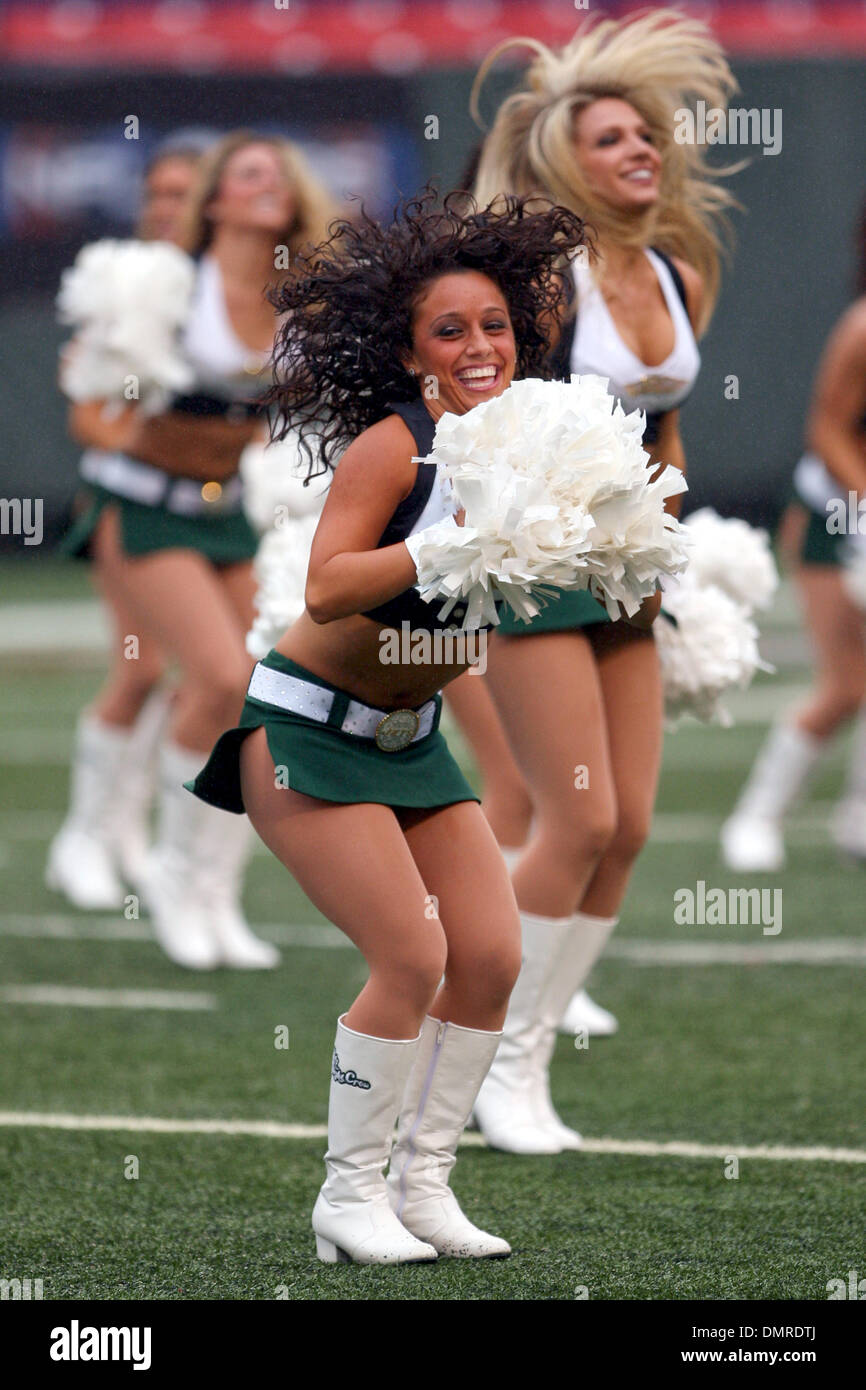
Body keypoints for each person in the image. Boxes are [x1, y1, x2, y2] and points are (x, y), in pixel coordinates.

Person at [186, 192, 597, 1264]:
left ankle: (421, 1188)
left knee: (493, 952)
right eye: (448, 330)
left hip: (409, 741)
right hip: (306, 734)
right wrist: (445, 545)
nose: (477, 346)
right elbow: (325, 592)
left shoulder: (531, 455)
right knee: (411, 952)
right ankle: (344, 1197)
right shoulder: (396, 450)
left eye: (494, 325)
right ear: (409, 353)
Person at [456, 7, 737, 1152]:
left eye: (646, 135)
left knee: (625, 828)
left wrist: (670, 544)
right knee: (570, 816)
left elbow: (662, 433)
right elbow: (471, 411)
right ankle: (484, 1059)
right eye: (612, 137)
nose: (640, 150)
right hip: (536, 570)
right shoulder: (536, 276)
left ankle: (526, 1053)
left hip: (628, 569)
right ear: (565, 158)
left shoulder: (669, 271)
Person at [49, 131, 339, 971]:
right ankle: (168, 876)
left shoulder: (296, 293)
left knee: (266, 694)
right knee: (213, 675)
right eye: (249, 174)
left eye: (280, 175)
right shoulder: (170, 287)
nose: (268, 186)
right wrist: (159, 419)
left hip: (227, 513)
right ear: (214, 198)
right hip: (143, 508)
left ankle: (213, 890)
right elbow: (92, 414)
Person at [47, 140, 206, 911]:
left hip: (220, 513)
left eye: (186, 193)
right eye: (160, 193)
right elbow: (88, 413)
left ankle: (133, 834)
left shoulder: (231, 289)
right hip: (129, 500)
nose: (169, 208)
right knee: (141, 668)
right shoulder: (122, 284)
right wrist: (159, 451)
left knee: (210, 680)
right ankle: (84, 838)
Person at [721, 210, 866, 869]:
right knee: (844, 685)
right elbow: (827, 431)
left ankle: (857, 821)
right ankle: (755, 820)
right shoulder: (861, 327)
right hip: (835, 519)